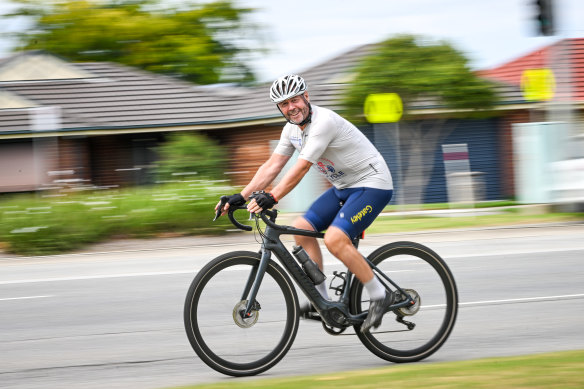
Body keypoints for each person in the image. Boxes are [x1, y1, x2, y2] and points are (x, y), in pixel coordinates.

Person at [216, 74, 394, 332]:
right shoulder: (291, 130)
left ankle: (380, 294)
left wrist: (273, 196)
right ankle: (322, 302)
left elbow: (301, 168)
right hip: (344, 187)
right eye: (284, 104)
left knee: (334, 240)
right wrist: (240, 196)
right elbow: (272, 166)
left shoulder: (324, 123)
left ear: (306, 97)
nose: (291, 107)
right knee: (302, 230)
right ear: (280, 108)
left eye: (295, 100)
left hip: (372, 185)